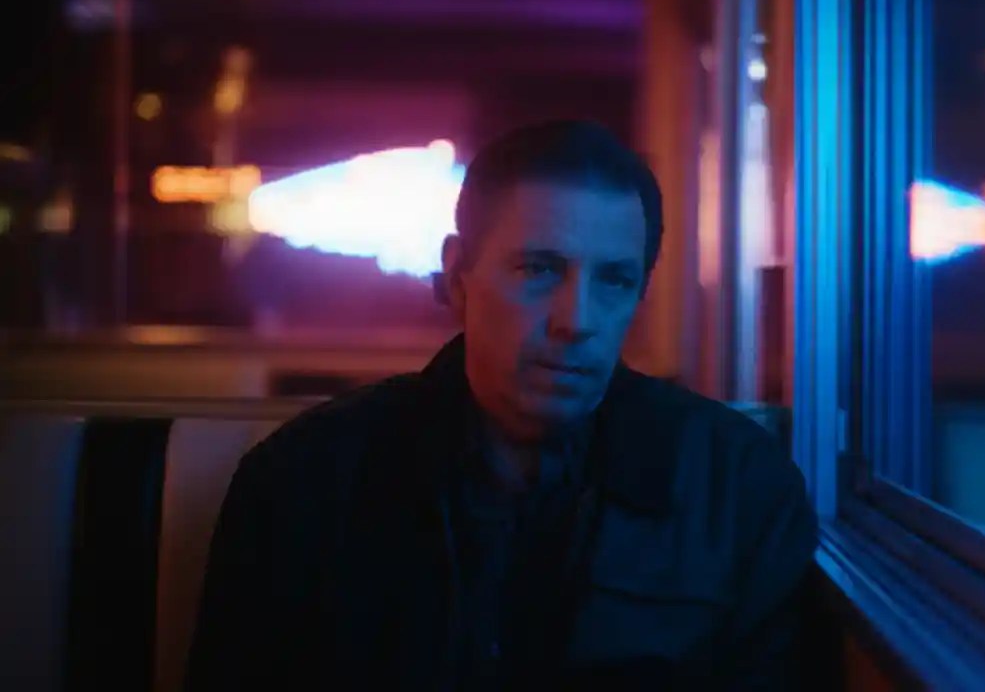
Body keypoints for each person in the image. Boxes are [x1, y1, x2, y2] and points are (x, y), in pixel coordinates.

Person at [185, 120, 817, 691]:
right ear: (457, 276)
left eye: (615, 281)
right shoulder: (307, 480)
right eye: (540, 270)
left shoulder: (737, 488)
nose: (578, 321)